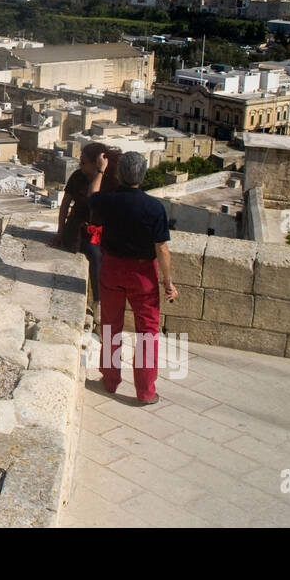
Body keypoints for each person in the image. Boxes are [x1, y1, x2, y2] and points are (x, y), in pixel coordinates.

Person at [89, 150, 178, 405]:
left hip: (112, 268)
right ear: (144, 174)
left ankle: (110, 380)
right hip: (143, 275)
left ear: (119, 173)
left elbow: (92, 195)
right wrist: (168, 282)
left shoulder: (109, 200)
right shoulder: (154, 207)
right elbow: (162, 249)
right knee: (148, 332)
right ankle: (146, 391)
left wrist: (100, 169)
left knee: (110, 326)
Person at [56, 143, 118, 307]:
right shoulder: (78, 177)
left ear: (96, 163)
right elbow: (65, 205)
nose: (80, 165)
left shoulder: (111, 181)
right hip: (78, 229)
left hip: (101, 231)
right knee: (95, 254)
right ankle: (98, 302)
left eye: (83, 162)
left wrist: (100, 172)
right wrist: (60, 232)